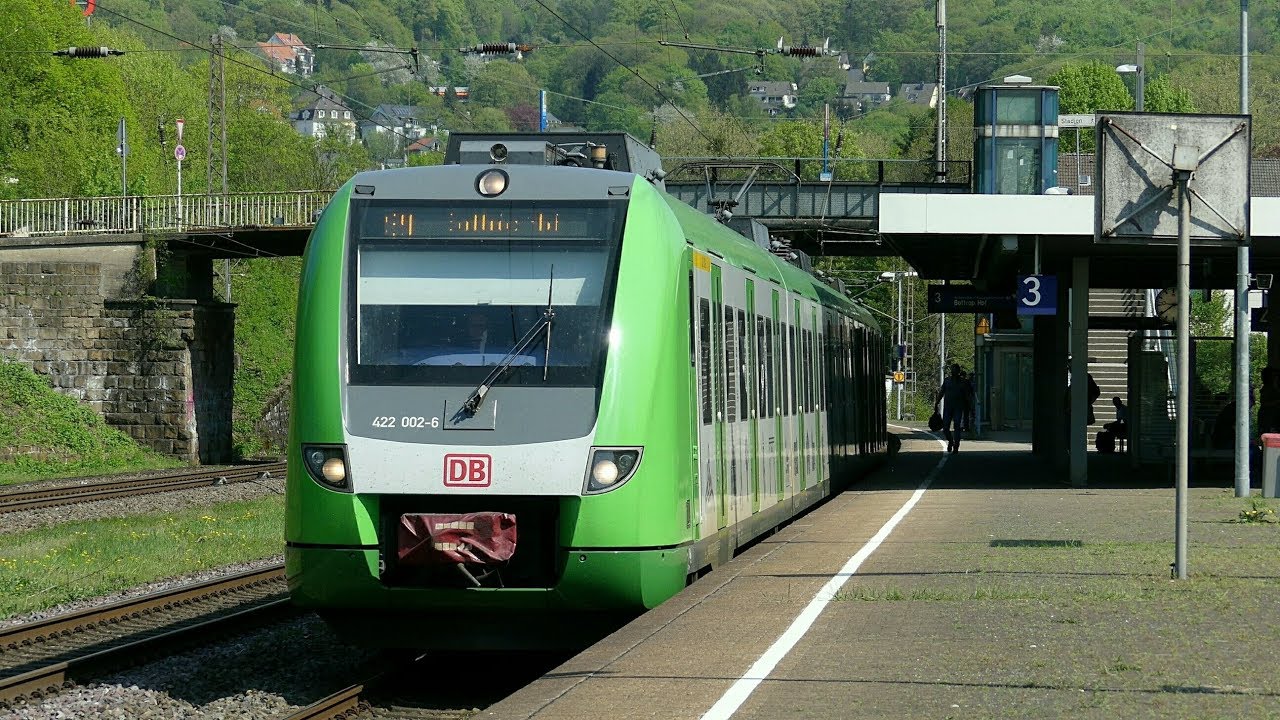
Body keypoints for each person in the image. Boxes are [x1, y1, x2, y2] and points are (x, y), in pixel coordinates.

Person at [934, 364, 970, 453]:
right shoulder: (947, 381)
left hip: (958, 407)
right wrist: (937, 402)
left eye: (955, 370)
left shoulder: (963, 382)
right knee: (945, 427)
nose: (953, 372)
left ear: (958, 371)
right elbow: (942, 392)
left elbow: (967, 395)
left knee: (957, 426)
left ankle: (956, 446)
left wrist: (968, 406)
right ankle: (950, 441)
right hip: (948, 407)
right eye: (952, 370)